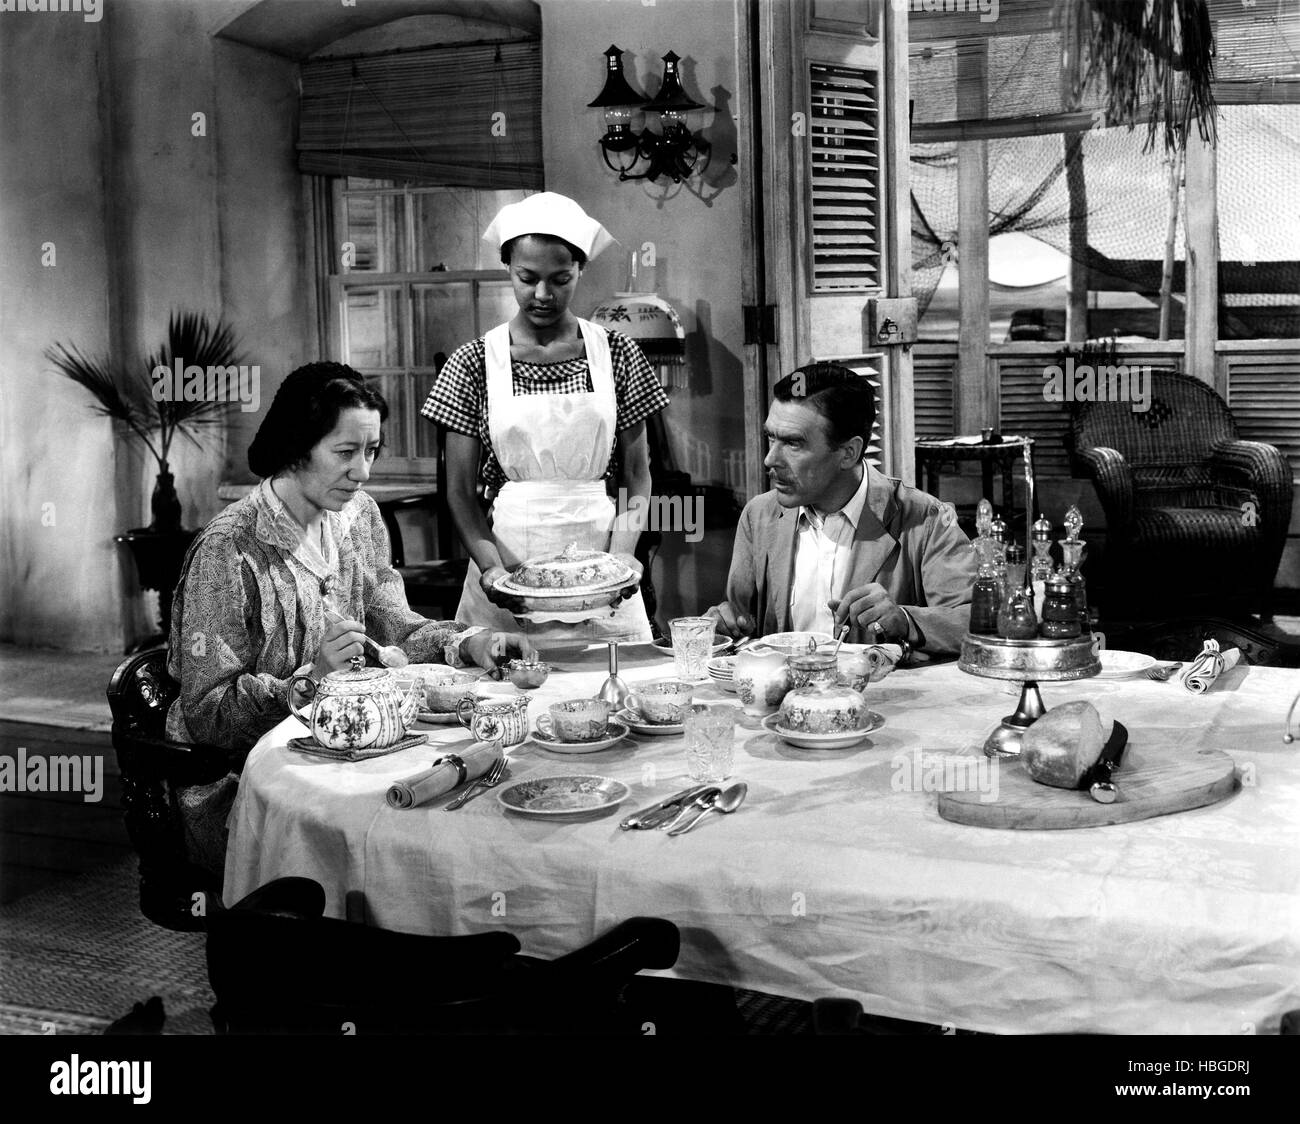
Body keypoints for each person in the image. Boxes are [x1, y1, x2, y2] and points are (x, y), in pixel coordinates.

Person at [166, 362, 535, 873]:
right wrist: (311, 681)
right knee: (415, 841)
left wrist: (470, 642)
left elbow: (398, 631)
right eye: (345, 452)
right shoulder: (229, 551)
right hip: (251, 783)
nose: (363, 472)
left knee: (467, 819)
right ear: (297, 447)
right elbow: (208, 714)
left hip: (349, 755)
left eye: (371, 451)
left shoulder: (357, 515)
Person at [419, 192, 669, 644]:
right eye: (526, 277)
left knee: (614, 695)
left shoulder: (618, 353)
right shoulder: (473, 361)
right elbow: (458, 491)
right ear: (507, 268)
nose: (542, 295)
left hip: (601, 561)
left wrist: (624, 557)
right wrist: (492, 567)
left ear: (581, 270)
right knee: (507, 696)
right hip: (510, 558)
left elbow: (637, 473)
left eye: (560, 279)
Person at [708, 362, 975, 657]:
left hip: (883, 699)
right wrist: (722, 627)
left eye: (793, 443)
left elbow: (975, 622)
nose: (770, 459)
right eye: (771, 437)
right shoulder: (758, 515)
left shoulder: (925, 518)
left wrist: (907, 620)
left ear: (848, 453)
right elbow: (740, 624)